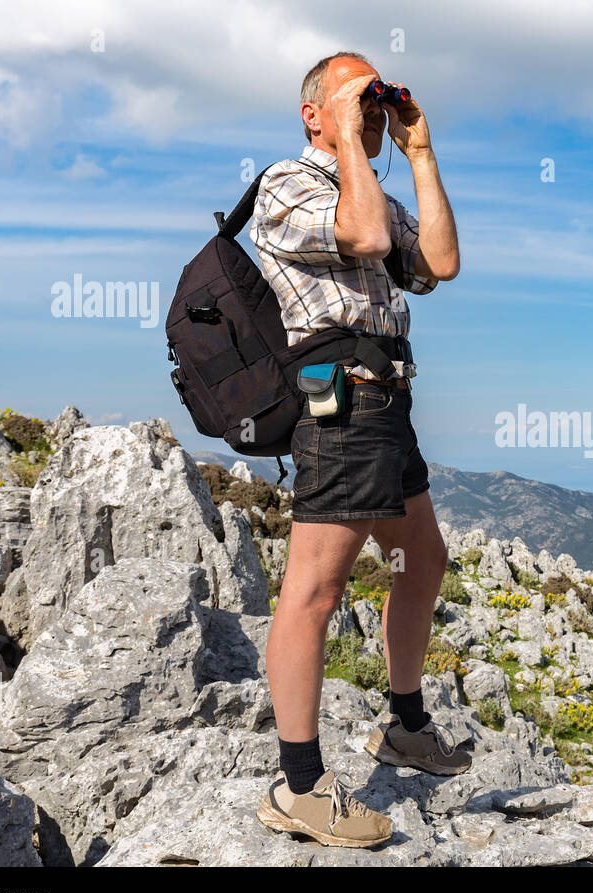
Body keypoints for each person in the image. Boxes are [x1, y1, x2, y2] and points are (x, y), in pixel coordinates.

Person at [251, 51, 466, 848]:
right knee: (314, 591)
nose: (372, 113)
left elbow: (439, 262)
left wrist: (418, 151)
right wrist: (349, 136)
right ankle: (299, 784)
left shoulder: (366, 182)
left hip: (388, 401)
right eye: (355, 101)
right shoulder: (290, 183)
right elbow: (369, 233)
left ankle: (404, 726)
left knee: (423, 560)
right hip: (339, 404)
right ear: (312, 114)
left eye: (378, 102)